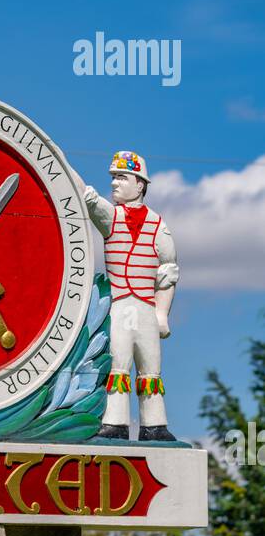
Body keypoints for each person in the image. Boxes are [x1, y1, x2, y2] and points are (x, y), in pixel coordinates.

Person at [81, 150, 179, 441]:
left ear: (140, 184)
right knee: (118, 364)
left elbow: (169, 269)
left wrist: (162, 313)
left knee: (150, 368)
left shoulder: (157, 224)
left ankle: (154, 425)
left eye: (121, 178)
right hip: (120, 305)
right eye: (113, 177)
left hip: (146, 307)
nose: (114, 184)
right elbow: (91, 201)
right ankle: (115, 422)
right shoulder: (111, 217)